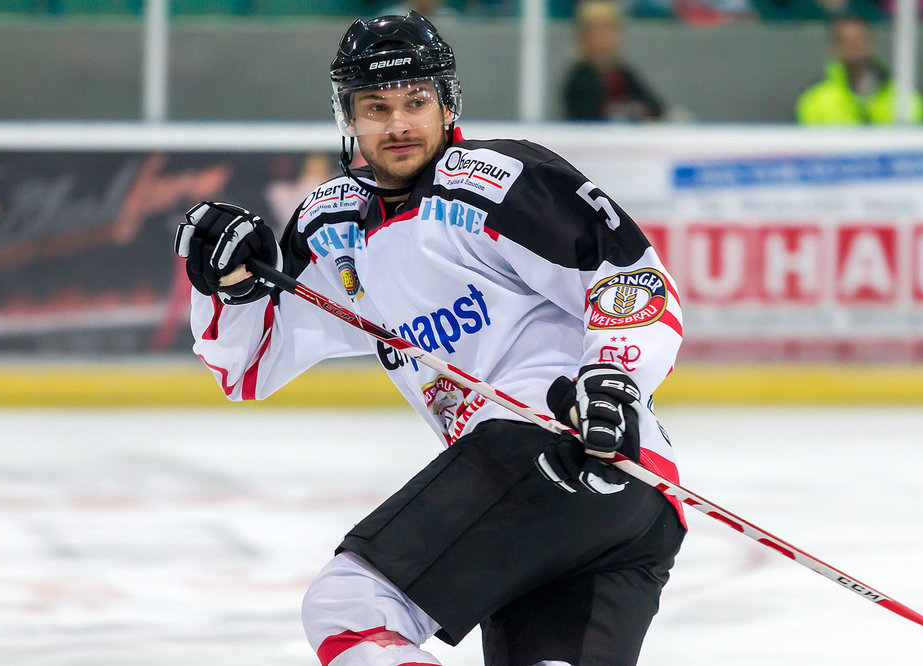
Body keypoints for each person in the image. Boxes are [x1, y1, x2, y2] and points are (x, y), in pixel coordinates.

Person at [174, 11, 685, 665]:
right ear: (348, 116)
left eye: (416, 101)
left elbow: (628, 275)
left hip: (558, 447)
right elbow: (248, 365)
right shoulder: (331, 226)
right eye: (376, 106)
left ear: (447, 103)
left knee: (352, 610)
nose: (398, 124)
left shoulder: (498, 180)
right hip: (633, 503)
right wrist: (229, 283)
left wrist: (613, 373)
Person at [796, 15, 923, 124]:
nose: (854, 46)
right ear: (833, 47)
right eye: (845, 41)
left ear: (871, 43)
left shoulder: (903, 98)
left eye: (859, 39)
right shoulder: (815, 101)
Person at [563, 0, 666, 121]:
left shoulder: (622, 73)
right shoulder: (579, 79)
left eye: (609, 28)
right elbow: (587, 116)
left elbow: (656, 107)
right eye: (598, 30)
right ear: (583, 35)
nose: (605, 36)